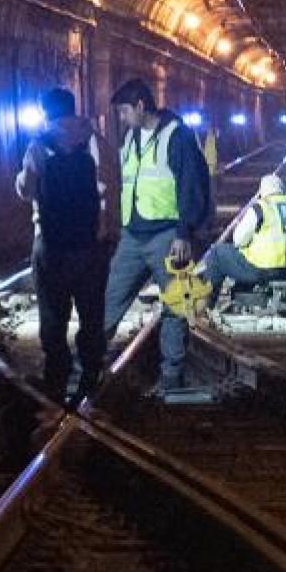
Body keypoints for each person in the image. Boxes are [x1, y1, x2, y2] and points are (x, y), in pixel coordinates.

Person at [97, 79, 213, 396]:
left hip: (167, 235)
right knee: (109, 300)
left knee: (175, 305)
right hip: (133, 236)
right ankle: (88, 366)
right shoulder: (131, 137)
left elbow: (191, 185)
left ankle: (171, 376)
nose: (121, 118)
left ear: (140, 106)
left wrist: (184, 233)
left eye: (124, 111)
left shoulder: (177, 136)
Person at [15, 88, 106, 401]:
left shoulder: (39, 145)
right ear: (72, 108)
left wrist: (21, 180)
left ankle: (57, 375)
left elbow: (27, 189)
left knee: (53, 313)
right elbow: (111, 185)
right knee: (91, 312)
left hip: (50, 243)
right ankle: (91, 375)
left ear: (45, 112)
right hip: (89, 243)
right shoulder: (94, 141)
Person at [202, 173, 286, 293]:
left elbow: (238, 240)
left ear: (262, 192)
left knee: (217, 254)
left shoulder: (261, 206)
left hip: (267, 270)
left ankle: (205, 304)